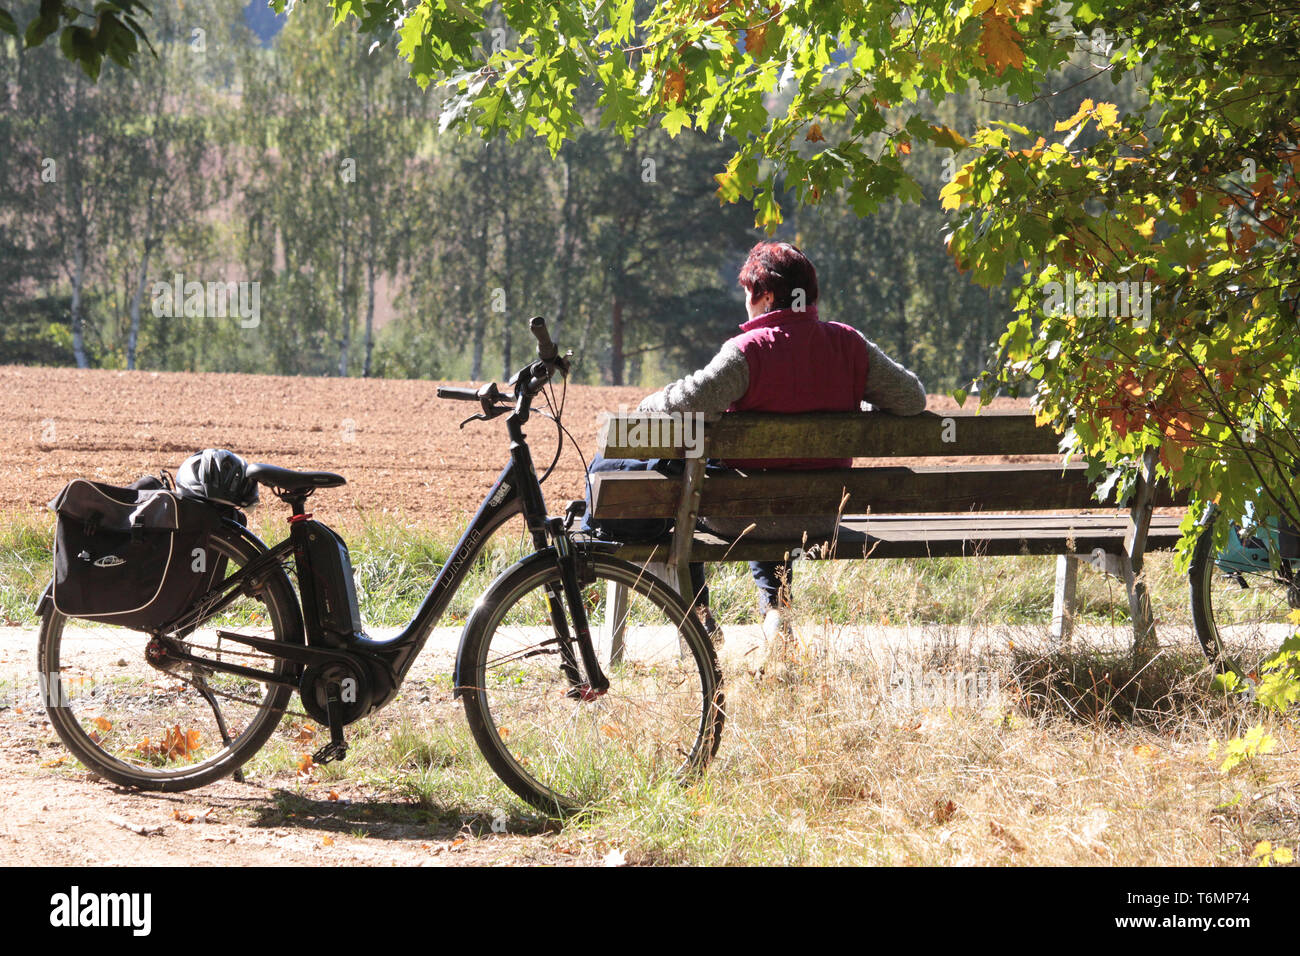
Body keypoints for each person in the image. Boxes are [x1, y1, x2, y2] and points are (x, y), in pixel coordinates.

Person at [582, 240, 927, 662]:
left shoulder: (749, 351)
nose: (745, 304)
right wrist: (862, 406)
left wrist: (645, 405)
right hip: (820, 515)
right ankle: (776, 610)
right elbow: (912, 399)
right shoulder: (850, 345)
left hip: (740, 517)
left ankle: (696, 614)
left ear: (764, 297)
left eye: (749, 294)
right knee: (765, 478)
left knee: (691, 472)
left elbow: (685, 403)